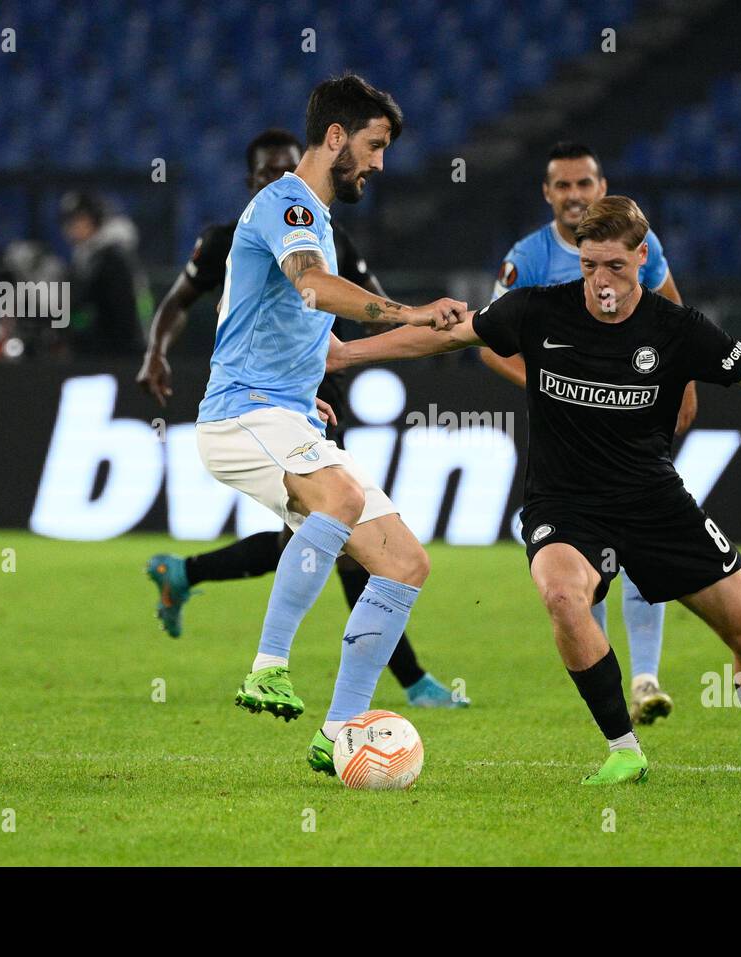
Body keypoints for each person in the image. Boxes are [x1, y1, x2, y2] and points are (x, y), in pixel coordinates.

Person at [328, 196, 741, 785]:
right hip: (564, 505)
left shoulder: (678, 329)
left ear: (641, 258)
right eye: (590, 265)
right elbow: (444, 340)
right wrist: (347, 353)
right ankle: (624, 748)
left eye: (615, 267)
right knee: (563, 596)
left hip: (653, 502)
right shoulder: (535, 310)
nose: (600, 280)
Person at [195, 73, 468, 775]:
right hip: (240, 414)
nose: (379, 164)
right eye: (375, 147)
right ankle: (267, 665)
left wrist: (462, 330)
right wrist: (407, 309)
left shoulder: (315, 218)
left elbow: (338, 348)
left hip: (282, 413)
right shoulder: (288, 204)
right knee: (343, 499)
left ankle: (338, 728)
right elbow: (315, 289)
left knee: (405, 562)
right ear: (337, 137)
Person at [481, 142, 696, 726]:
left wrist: (688, 388)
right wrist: (539, 381)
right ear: (547, 194)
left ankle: (647, 676)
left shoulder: (635, 246)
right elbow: (488, 340)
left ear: (600, 188)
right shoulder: (525, 259)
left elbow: (674, 317)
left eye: (584, 183)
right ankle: (611, 672)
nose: (574, 194)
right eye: (562, 185)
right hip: (569, 433)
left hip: (634, 423)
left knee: (641, 545)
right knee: (582, 560)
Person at [58, 191, 149, 356]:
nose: (73, 227)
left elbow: (116, 313)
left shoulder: (111, 258)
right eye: (70, 221)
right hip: (111, 348)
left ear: (96, 219)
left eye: (79, 219)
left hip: (121, 351)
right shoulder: (89, 255)